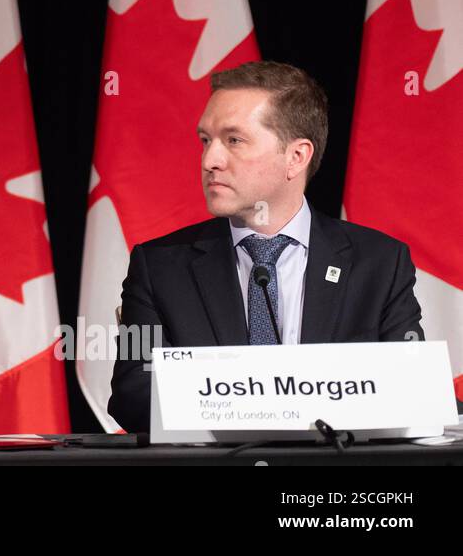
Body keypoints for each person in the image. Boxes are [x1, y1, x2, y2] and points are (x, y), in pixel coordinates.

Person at [108, 61, 424, 432]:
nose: (210, 160)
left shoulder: (380, 264)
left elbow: (410, 390)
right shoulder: (159, 266)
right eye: (206, 141)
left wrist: (228, 396)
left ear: (296, 157)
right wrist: (276, 408)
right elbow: (134, 395)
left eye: (234, 140)